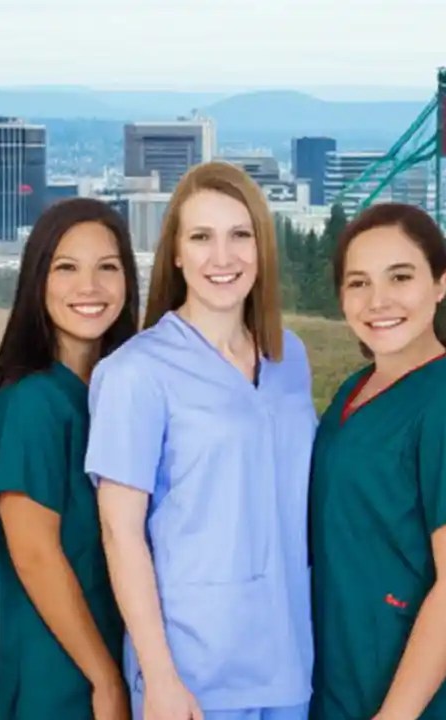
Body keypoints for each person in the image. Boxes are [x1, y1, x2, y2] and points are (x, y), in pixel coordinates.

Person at [85, 161, 315, 720]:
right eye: (201, 237)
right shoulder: (135, 373)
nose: (223, 257)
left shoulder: (289, 358)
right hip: (192, 672)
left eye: (240, 235)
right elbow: (121, 534)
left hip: (288, 662)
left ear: (262, 247)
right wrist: (160, 676)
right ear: (176, 253)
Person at [310, 202, 446, 719]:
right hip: (348, 672)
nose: (378, 300)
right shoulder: (354, 391)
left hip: (423, 699)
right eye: (358, 283)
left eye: (400, 277)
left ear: (441, 282)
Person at [0, 197, 140, 720]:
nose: (89, 287)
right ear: (37, 281)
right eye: (66, 268)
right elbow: (35, 555)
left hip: (102, 658)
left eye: (107, 267)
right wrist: (105, 680)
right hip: (54, 675)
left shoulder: (109, 395)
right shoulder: (31, 402)